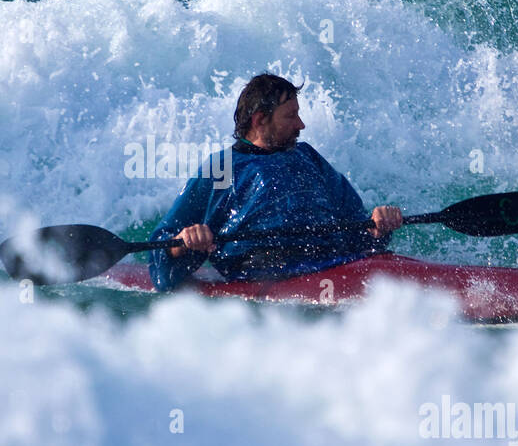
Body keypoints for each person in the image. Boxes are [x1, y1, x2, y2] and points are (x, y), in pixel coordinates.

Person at [148, 73, 402, 291]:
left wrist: (377, 227)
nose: (300, 124)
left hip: (336, 264)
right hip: (265, 274)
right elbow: (160, 261)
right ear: (260, 120)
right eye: (290, 116)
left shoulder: (308, 157)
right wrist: (182, 243)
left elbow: (359, 232)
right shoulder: (222, 169)